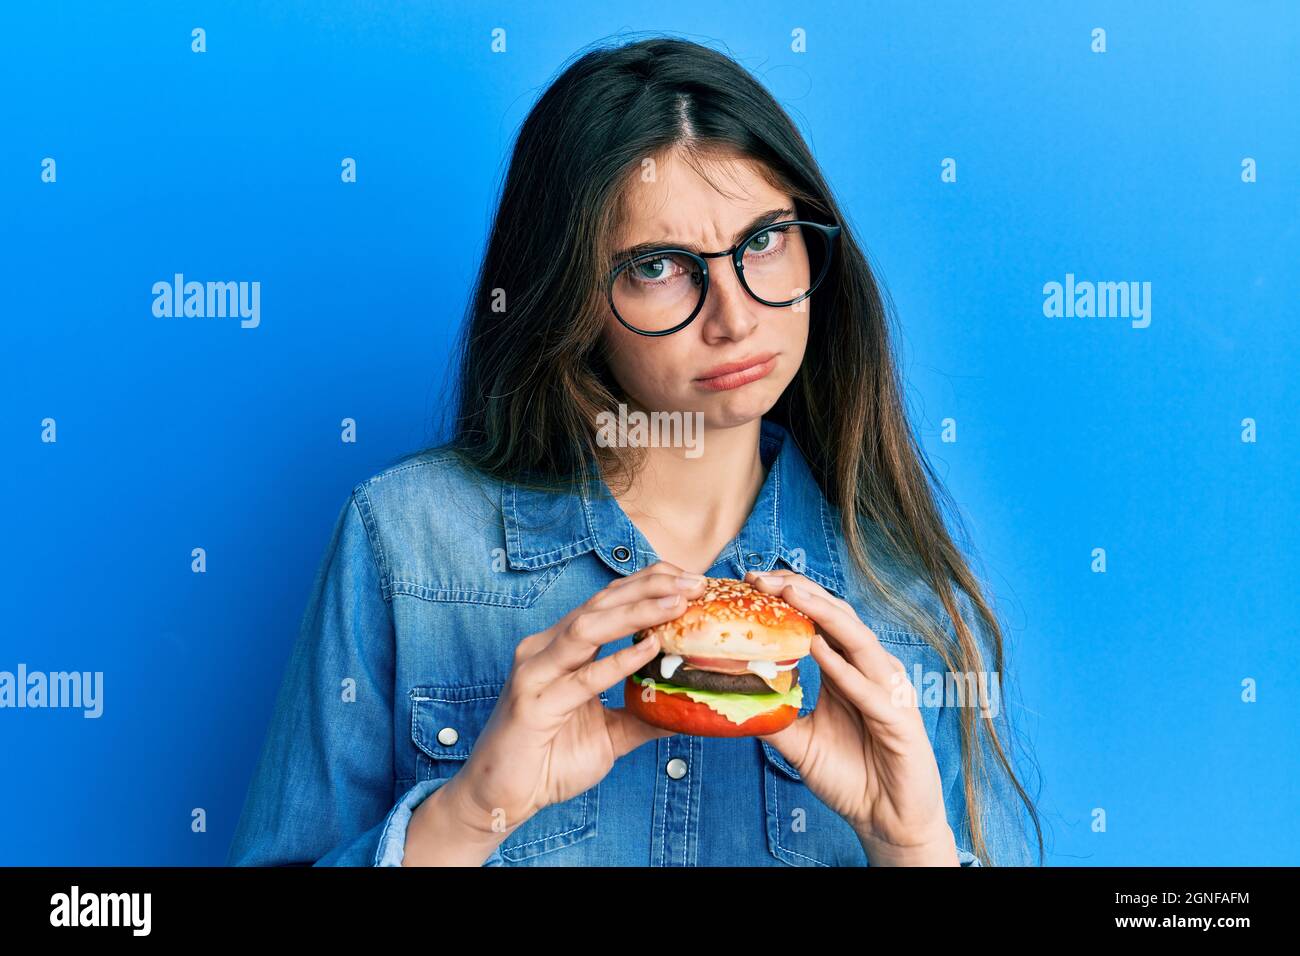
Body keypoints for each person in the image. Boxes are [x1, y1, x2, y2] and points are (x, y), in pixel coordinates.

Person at [228, 35, 1043, 867]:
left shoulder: (897, 587)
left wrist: (911, 848)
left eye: (763, 240)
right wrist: (467, 816)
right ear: (570, 302)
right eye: (660, 266)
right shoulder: (405, 541)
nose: (734, 316)